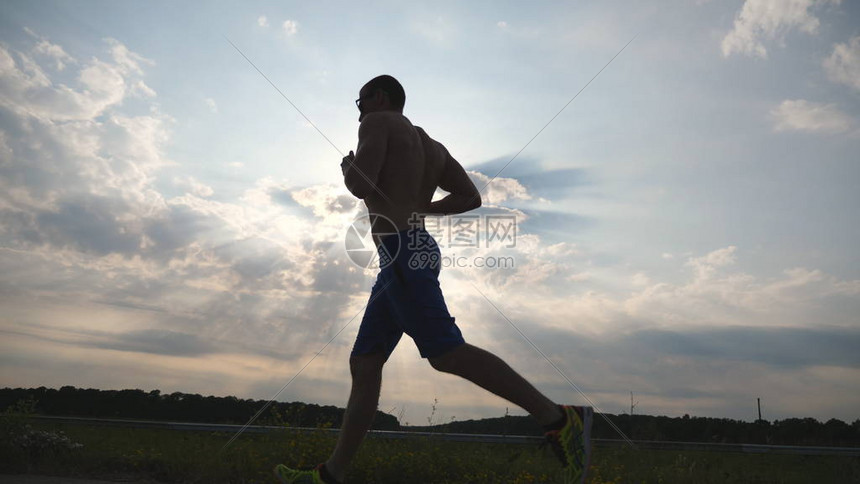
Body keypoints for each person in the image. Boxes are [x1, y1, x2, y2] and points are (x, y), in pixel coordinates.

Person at [274, 75, 592, 484]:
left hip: (403, 252)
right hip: (408, 252)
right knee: (365, 362)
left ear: (380, 97)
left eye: (361, 100)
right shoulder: (433, 147)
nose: (358, 109)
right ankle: (330, 476)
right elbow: (470, 197)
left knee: (445, 354)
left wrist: (348, 167)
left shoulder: (376, 123)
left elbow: (360, 186)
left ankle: (560, 419)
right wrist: (422, 207)